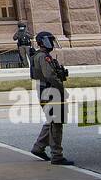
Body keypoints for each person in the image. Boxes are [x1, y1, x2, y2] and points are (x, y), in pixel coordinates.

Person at [30, 31, 73, 165]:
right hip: (50, 91)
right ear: (44, 41)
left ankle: (39, 147)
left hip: (46, 91)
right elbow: (50, 76)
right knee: (56, 124)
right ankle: (57, 155)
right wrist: (61, 89)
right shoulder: (43, 57)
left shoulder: (40, 56)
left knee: (52, 121)